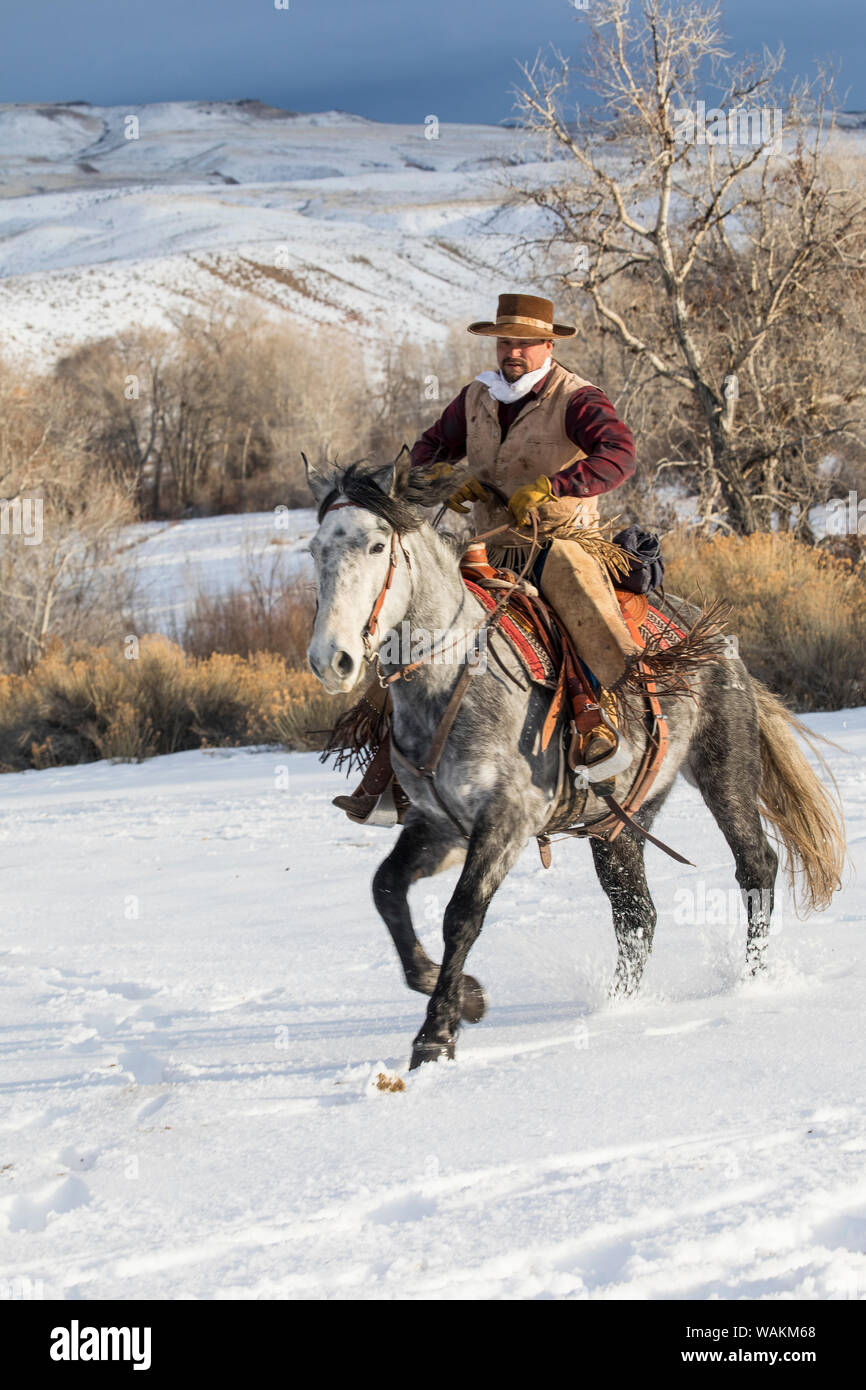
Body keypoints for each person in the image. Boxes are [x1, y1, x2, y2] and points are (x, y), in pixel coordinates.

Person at [333, 292, 643, 824]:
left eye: (524, 342)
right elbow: (430, 449)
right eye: (505, 341)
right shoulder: (477, 396)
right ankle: (393, 761)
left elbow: (620, 455)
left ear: (548, 345)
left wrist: (553, 485)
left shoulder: (578, 398)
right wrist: (443, 480)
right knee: (415, 617)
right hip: (483, 548)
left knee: (576, 602)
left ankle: (599, 722)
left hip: (559, 541)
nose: (513, 351)